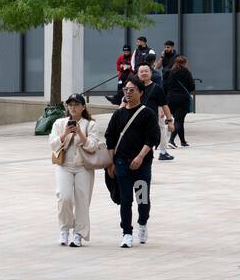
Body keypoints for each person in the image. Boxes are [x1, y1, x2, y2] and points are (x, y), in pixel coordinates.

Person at [105, 77, 161, 248]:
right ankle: (127, 233)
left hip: (141, 165)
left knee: (142, 199)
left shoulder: (147, 113)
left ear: (140, 92)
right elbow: (110, 138)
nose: (128, 93)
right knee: (126, 199)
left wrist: (140, 157)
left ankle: (142, 223)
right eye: (125, 90)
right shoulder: (118, 114)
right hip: (121, 163)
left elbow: (152, 138)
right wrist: (111, 162)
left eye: (132, 90)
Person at [49, 93, 99, 247]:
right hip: (64, 165)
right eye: (70, 105)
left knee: (82, 200)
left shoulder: (90, 124)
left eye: (76, 104)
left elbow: (93, 146)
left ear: (83, 107)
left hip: (83, 167)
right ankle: (64, 229)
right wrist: (65, 134)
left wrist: (79, 133)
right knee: (64, 197)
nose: (73, 107)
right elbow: (52, 143)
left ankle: (79, 233)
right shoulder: (59, 123)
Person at [132, 64, 173, 160]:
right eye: (141, 71)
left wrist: (170, 121)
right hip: (135, 121)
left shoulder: (156, 88)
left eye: (146, 71)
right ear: (137, 74)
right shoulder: (133, 88)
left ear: (151, 73)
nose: (144, 73)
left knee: (149, 144)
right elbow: (125, 102)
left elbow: (164, 105)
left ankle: (148, 157)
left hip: (151, 122)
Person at [163, 55, 196, 148]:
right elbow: (191, 87)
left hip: (171, 98)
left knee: (178, 119)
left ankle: (183, 141)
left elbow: (165, 85)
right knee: (179, 120)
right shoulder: (187, 73)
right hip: (182, 99)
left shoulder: (170, 72)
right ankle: (171, 141)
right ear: (184, 63)